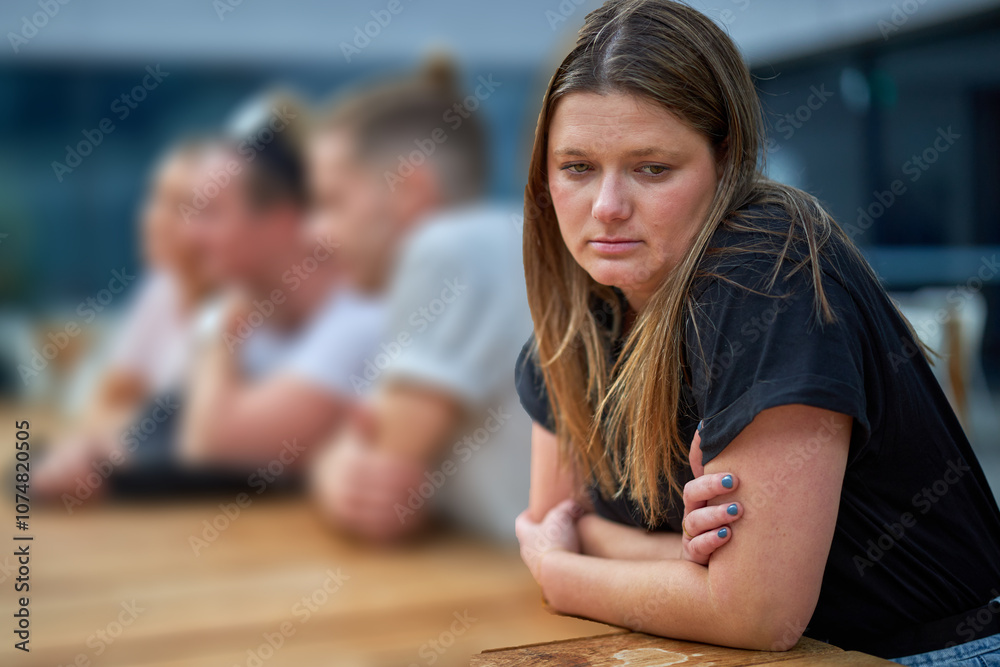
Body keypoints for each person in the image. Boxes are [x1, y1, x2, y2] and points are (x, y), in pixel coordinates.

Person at [512, 1, 1000, 664]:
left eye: (652, 168)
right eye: (577, 167)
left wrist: (561, 574)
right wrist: (672, 562)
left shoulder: (767, 269)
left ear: (726, 163)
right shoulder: (583, 311)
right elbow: (557, 522)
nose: (606, 207)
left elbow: (755, 612)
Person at [308, 57, 533, 542]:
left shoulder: (446, 250)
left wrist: (335, 467)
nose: (316, 235)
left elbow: (380, 490)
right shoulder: (502, 243)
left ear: (409, 190)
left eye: (332, 201)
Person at [178, 93, 385, 469]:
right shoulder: (253, 314)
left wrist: (219, 330)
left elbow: (211, 447)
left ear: (283, 218)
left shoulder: (361, 315)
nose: (190, 235)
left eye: (209, 214)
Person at [35, 140, 214, 500]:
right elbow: (103, 404)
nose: (153, 217)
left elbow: (189, 440)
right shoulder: (161, 290)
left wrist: (119, 427)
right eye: (154, 197)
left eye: (180, 206)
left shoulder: (237, 312)